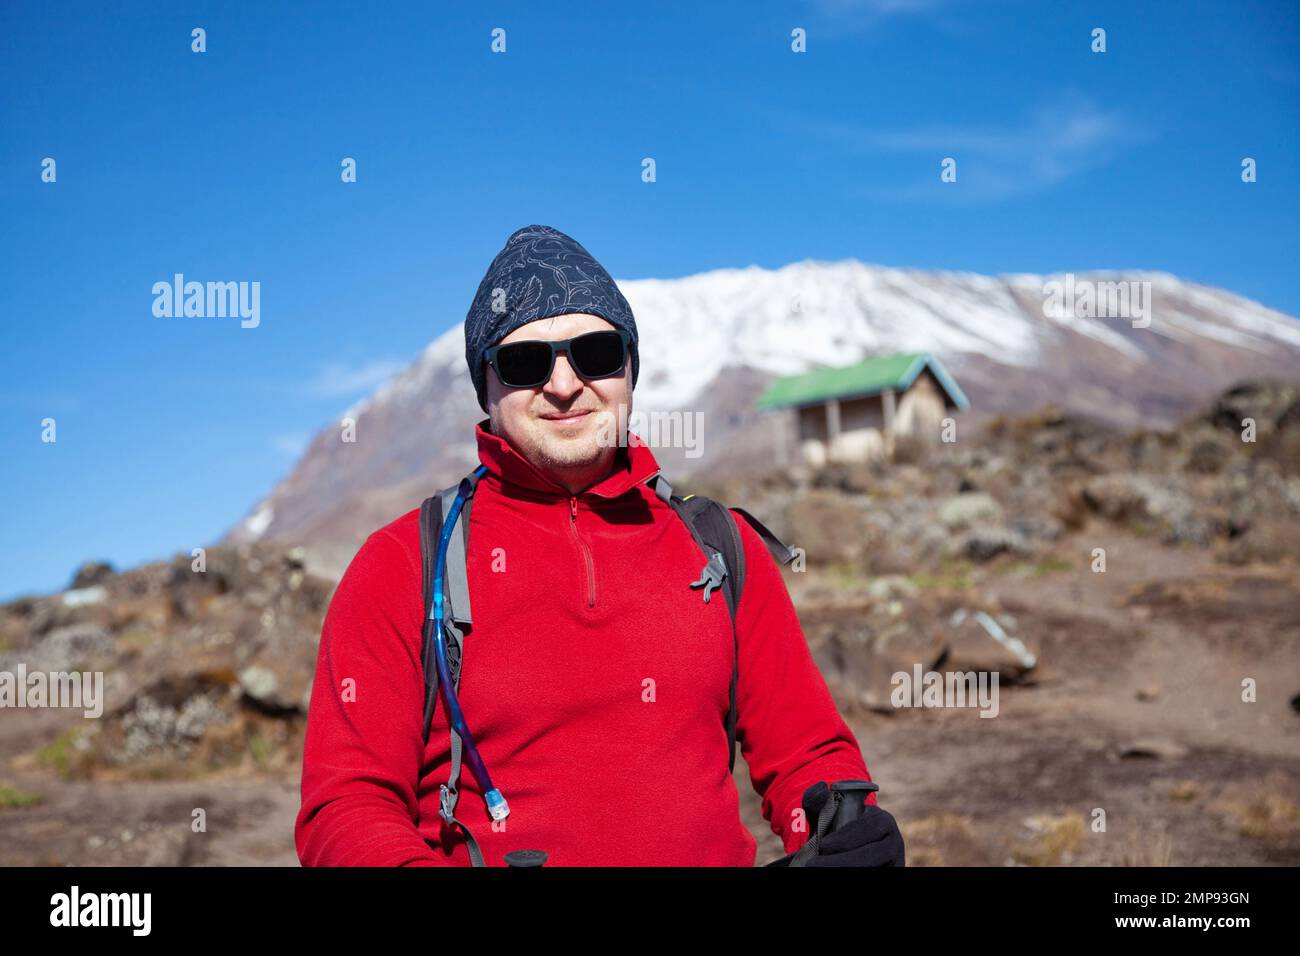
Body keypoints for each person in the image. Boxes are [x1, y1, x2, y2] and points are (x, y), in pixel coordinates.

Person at [294, 224, 904, 867]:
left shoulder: (719, 545)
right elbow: (347, 807)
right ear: (487, 388)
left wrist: (837, 820)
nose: (564, 384)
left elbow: (806, 751)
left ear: (629, 371)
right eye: (526, 362)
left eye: (597, 352)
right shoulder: (402, 565)